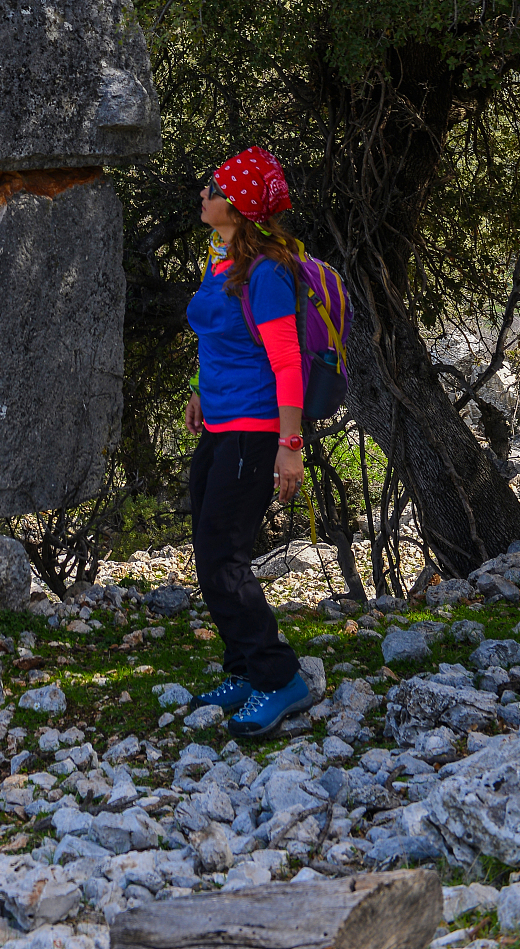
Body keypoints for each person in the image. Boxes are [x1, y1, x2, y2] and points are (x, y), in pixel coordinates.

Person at [185, 145, 312, 739]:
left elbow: (287, 362)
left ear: (235, 206)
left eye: (214, 187)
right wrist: (198, 391)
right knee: (208, 549)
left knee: (222, 556)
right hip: (219, 427)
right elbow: (218, 339)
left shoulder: (266, 274)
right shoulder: (222, 262)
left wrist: (291, 445)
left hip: (256, 433)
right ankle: (241, 668)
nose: (204, 193)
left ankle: (279, 677)